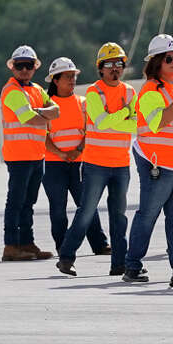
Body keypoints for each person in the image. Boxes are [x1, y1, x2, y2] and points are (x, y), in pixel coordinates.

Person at [124, 35, 173, 284]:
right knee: (148, 214)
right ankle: (132, 266)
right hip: (159, 163)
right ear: (156, 62)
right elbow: (160, 123)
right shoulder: (149, 91)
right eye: (169, 58)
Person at [56, 43, 136, 276]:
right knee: (87, 212)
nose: (115, 69)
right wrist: (123, 113)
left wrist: (115, 118)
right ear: (100, 68)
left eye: (119, 64)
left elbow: (136, 124)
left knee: (119, 217)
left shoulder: (130, 92)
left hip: (121, 163)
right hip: (96, 164)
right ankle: (66, 257)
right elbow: (101, 122)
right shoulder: (93, 92)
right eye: (109, 65)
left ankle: (119, 264)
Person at [39, 57, 107, 261]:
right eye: (68, 77)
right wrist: (61, 154)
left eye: (73, 76)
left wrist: (78, 150)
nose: (72, 80)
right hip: (53, 164)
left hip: (79, 162)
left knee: (87, 205)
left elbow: (91, 129)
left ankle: (100, 244)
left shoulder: (83, 103)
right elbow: (42, 135)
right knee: (58, 208)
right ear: (55, 80)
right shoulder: (48, 106)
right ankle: (63, 247)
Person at [0, 44, 61, 262]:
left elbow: (56, 110)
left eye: (28, 65)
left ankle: (26, 242)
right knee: (15, 201)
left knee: (28, 202)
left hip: (36, 154)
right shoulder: (11, 90)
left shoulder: (36, 90)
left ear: (35, 67)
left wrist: (39, 112)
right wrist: (43, 114)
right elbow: (28, 117)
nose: (24, 70)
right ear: (12, 68)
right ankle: (10, 245)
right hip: (18, 156)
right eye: (19, 66)